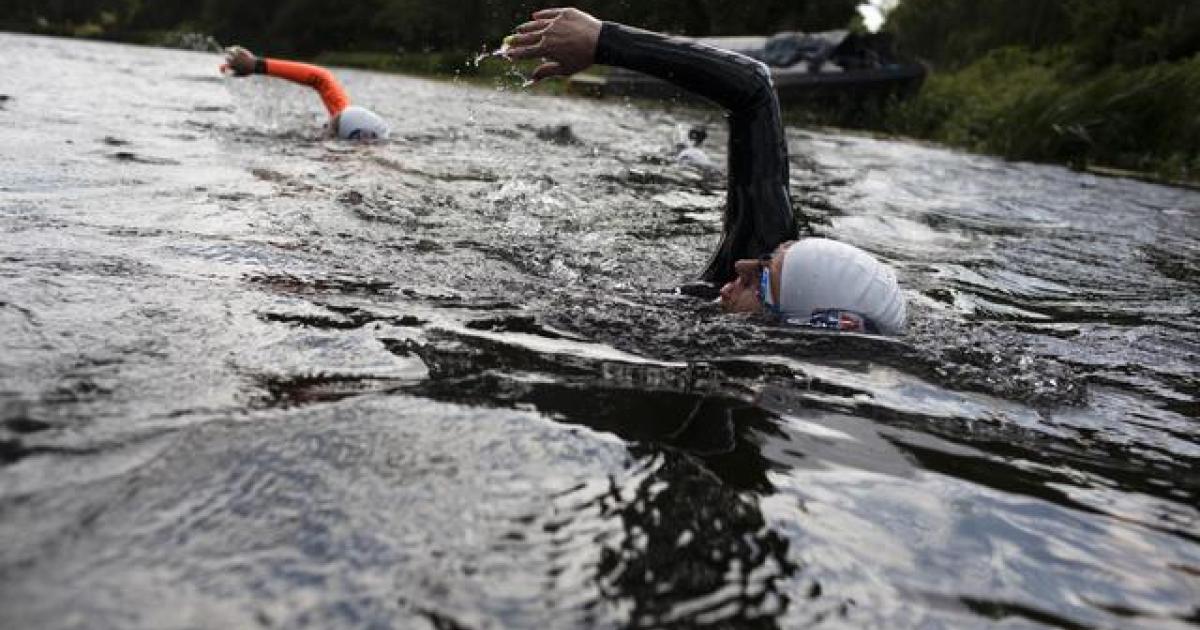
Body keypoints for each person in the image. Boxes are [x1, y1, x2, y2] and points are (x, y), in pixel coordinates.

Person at [504, 8, 906, 335]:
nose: (742, 266)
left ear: (798, 324)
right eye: (766, 257)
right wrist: (603, 40)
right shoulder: (741, 285)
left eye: (762, 279)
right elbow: (755, 90)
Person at [221, 46, 389, 141]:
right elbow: (321, 78)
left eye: (331, 128)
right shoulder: (348, 121)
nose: (326, 126)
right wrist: (256, 65)